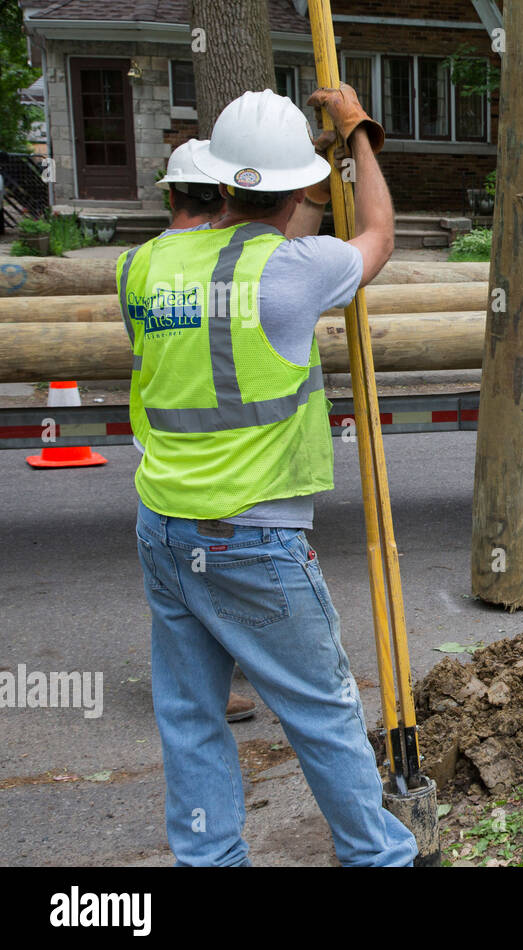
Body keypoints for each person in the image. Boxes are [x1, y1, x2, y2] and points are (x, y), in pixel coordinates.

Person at [117, 87, 415, 865]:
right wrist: (358, 139)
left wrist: (311, 181)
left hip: (163, 526)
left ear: (219, 180)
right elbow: (379, 233)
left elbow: (239, 249)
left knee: (190, 714)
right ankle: (377, 857)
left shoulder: (140, 267)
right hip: (254, 537)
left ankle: (210, 859)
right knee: (323, 710)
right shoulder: (293, 274)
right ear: (302, 193)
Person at [154, 138, 257, 724]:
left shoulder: (139, 263)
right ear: (222, 193)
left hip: (162, 460)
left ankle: (199, 690)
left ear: (170, 193)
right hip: (226, 468)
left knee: (182, 581)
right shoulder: (228, 259)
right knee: (226, 574)